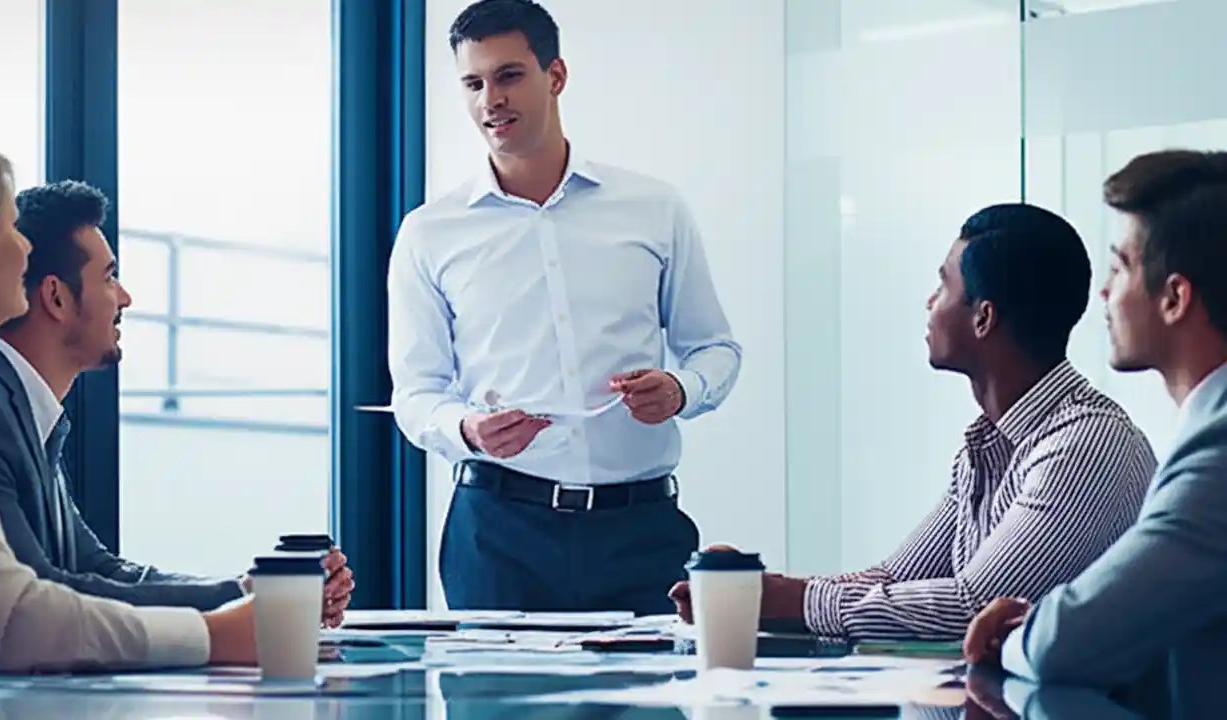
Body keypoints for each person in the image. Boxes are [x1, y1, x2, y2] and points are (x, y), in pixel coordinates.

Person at [388, 0, 741, 614]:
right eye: (473, 83)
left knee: (658, 709)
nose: (489, 100)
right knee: (497, 711)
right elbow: (415, 393)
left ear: (555, 76)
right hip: (498, 534)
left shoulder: (653, 208)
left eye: (508, 75)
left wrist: (681, 390)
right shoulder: (428, 232)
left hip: (641, 532)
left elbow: (715, 349)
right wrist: (467, 429)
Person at [671, 204, 1157, 640]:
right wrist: (752, 591)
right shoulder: (987, 444)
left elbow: (972, 605)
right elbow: (893, 579)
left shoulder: (1088, 441)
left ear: (983, 318)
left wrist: (778, 600)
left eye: (944, 284)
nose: (930, 302)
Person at [0, 180, 354, 623]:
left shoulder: (21, 408)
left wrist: (246, 591)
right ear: (56, 297)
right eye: (109, 276)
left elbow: (98, 568)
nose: (125, 298)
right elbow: (43, 591)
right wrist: (244, 606)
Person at [0, 132, 255, 677]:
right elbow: (25, 605)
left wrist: (239, 596)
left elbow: (86, 568)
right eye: (4, 227)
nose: (21, 247)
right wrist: (216, 631)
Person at [966, 150, 1227, 719]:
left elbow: (1065, 645)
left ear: (1175, 297)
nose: (1105, 295)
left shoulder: (1220, 449)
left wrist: (1023, 632)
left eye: (1121, 267)